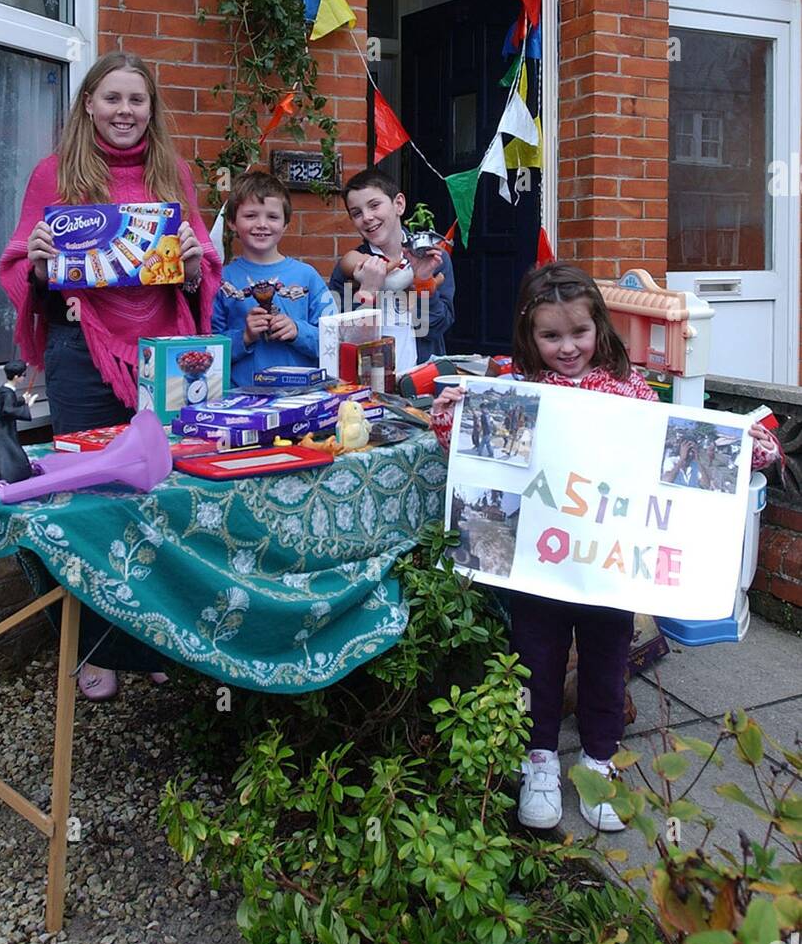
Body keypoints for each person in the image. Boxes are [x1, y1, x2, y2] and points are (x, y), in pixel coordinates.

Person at [430, 261, 783, 833]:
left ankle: (599, 763)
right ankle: (539, 759)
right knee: (535, 666)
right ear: (529, 336)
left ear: (600, 327)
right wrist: (452, 420)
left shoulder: (631, 391)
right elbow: (479, 460)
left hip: (611, 568)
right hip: (537, 570)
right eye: (551, 336)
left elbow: (677, 454)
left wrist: (747, 446)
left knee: (606, 667)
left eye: (579, 333)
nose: (567, 347)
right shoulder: (520, 391)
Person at [0, 50, 222, 700]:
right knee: (91, 503)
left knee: (162, 496)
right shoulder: (55, 174)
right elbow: (18, 261)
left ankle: (151, 639)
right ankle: (97, 647)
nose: (125, 111)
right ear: (89, 104)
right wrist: (38, 266)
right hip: (81, 355)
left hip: (166, 359)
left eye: (137, 100)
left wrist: (187, 266)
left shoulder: (172, 172)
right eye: (113, 98)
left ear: (150, 110)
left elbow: (202, 264)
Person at [211, 171, 336, 386]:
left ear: (286, 224)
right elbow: (208, 350)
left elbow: (335, 340)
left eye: (272, 216)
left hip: (301, 397)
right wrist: (245, 337)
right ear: (232, 222)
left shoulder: (307, 276)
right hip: (241, 399)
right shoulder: (221, 280)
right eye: (250, 216)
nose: (262, 224)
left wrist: (298, 331)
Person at [328, 169, 454, 374]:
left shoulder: (434, 259)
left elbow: (435, 328)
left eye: (374, 205)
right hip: (367, 381)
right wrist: (368, 291)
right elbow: (343, 340)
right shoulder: (350, 268)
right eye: (356, 213)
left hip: (419, 381)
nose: (367, 217)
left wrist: (424, 283)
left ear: (399, 204)